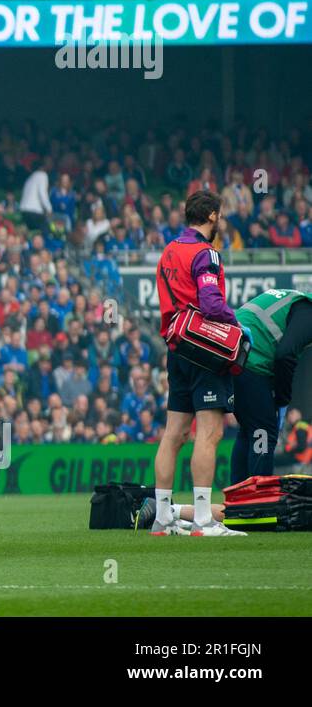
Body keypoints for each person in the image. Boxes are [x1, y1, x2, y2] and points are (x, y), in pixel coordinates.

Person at [151, 190, 246, 537]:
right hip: (205, 349)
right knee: (210, 433)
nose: (220, 222)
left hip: (176, 348)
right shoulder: (207, 253)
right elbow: (210, 302)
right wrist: (234, 322)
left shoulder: (168, 251)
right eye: (219, 216)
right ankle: (203, 521)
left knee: (173, 434)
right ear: (210, 216)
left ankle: (162, 518)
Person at [232, 289, 312, 481]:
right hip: (251, 361)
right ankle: (259, 502)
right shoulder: (308, 311)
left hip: (231, 355)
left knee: (248, 431)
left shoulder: (292, 299)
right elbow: (285, 354)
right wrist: (282, 400)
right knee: (264, 431)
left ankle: (237, 502)